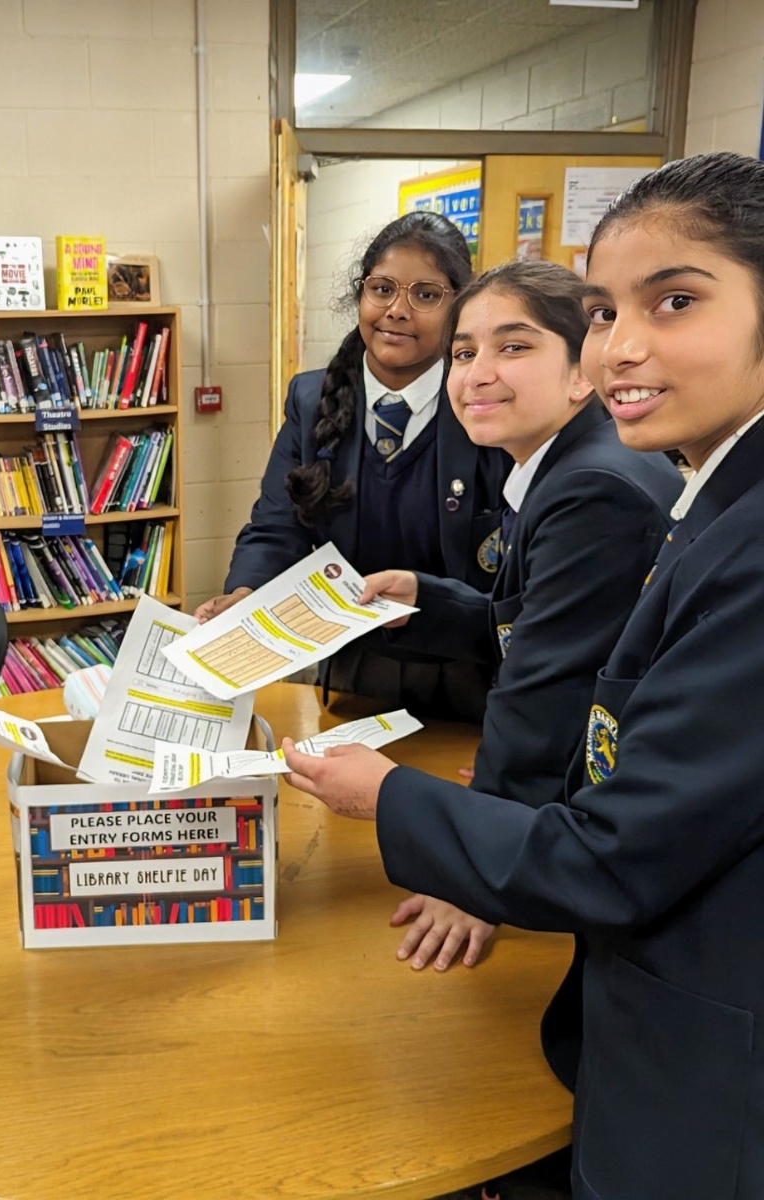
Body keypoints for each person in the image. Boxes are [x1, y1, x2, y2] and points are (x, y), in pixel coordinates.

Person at [282, 151, 764, 1199]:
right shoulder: (699, 491)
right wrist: (439, 600)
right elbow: (566, 643)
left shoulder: (667, 509)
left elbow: (605, 816)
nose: (623, 347)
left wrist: (401, 807)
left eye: (675, 301)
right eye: (604, 312)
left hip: (701, 1074)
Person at [367, 260, 680, 972]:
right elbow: (539, 622)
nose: (476, 374)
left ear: (583, 372)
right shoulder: (564, 464)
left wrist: (470, 867)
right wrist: (427, 599)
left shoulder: (593, 487)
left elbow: (546, 687)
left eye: (514, 346)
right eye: (464, 352)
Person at [197, 212, 509, 721]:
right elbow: (278, 525)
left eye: (426, 295)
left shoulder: (487, 400)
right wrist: (244, 596)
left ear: (459, 308)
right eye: (382, 289)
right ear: (360, 296)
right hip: (351, 670)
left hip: (471, 674)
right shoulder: (311, 397)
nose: (397, 311)